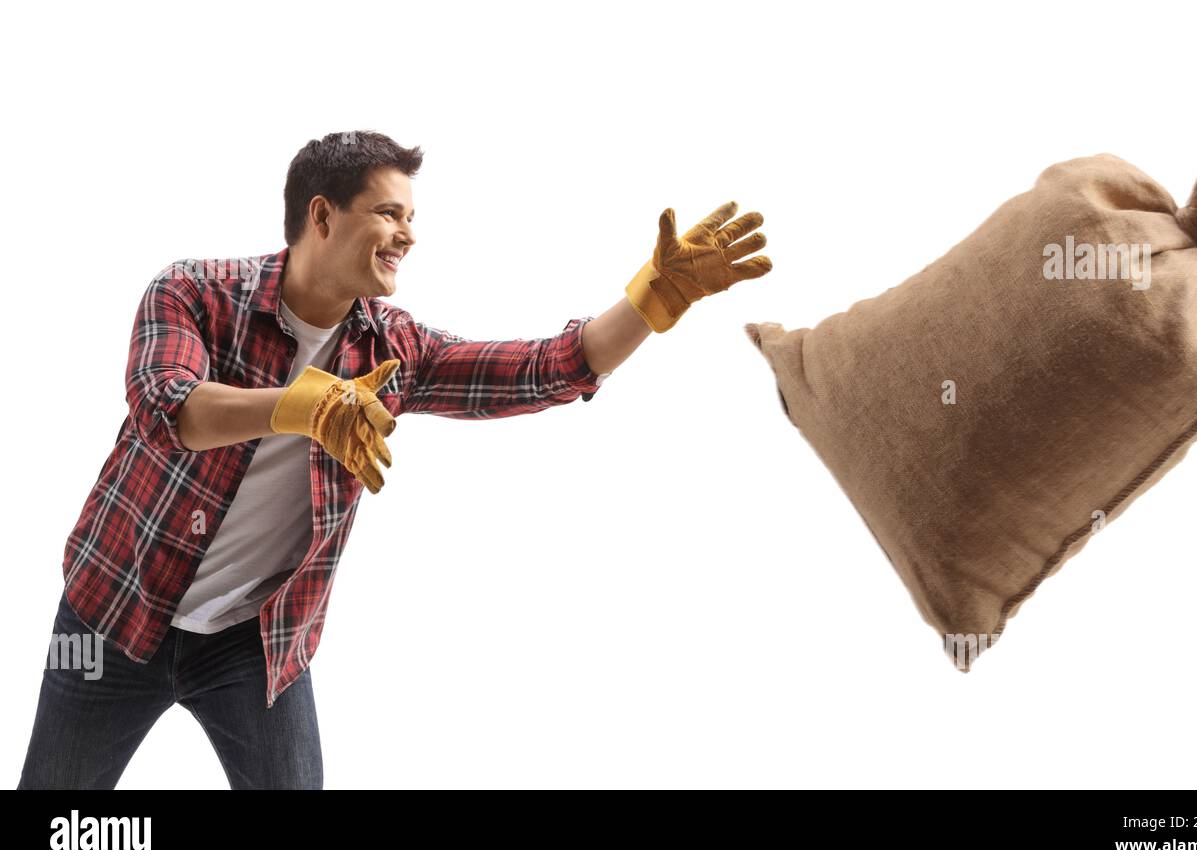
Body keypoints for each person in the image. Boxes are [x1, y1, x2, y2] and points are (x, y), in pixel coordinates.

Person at [17, 129, 772, 789]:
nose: (408, 234)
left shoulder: (391, 348)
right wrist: (303, 407)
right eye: (389, 212)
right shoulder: (193, 292)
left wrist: (651, 299)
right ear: (322, 214)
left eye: (412, 217)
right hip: (110, 613)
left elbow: (544, 367)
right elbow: (167, 408)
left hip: (255, 645)